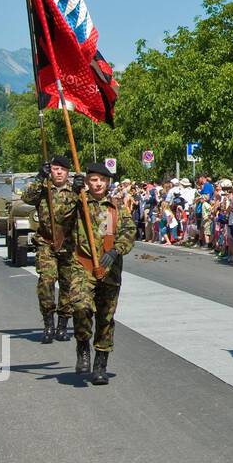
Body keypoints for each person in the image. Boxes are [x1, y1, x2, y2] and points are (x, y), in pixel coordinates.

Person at [59, 163, 137, 385]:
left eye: (102, 180)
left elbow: (129, 231)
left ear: (108, 182)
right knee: (81, 307)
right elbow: (60, 217)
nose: (98, 184)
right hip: (81, 265)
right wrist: (73, 193)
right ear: (87, 181)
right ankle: (83, 345)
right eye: (93, 179)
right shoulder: (78, 203)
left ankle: (100, 365)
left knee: (105, 318)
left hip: (109, 270)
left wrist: (115, 250)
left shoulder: (116, 207)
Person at [21, 154, 77, 344]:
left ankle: (62, 324)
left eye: (62, 169)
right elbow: (26, 197)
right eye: (55, 169)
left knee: (68, 285)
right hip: (46, 242)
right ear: (50, 171)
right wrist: (38, 178)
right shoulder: (43, 189)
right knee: (46, 281)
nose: (58, 172)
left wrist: (80, 190)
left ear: (67, 172)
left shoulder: (74, 190)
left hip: (69, 244)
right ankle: (48, 324)